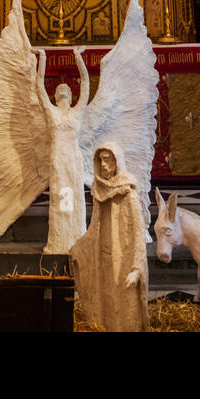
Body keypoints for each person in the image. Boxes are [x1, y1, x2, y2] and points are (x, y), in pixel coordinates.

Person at [70, 142, 149, 331]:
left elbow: (139, 233)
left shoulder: (128, 194)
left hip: (125, 259)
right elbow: (94, 229)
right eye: (100, 160)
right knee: (106, 300)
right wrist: (80, 250)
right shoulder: (100, 191)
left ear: (117, 162)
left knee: (126, 305)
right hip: (104, 257)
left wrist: (137, 268)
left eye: (107, 159)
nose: (103, 164)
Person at [35, 47, 89, 253]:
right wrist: (43, 57)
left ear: (71, 94)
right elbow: (39, 86)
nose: (63, 90)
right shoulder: (52, 112)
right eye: (59, 90)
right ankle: (60, 241)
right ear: (56, 95)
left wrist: (78, 58)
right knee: (61, 200)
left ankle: (76, 240)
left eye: (66, 89)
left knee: (73, 199)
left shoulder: (77, 112)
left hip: (73, 161)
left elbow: (86, 84)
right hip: (58, 162)